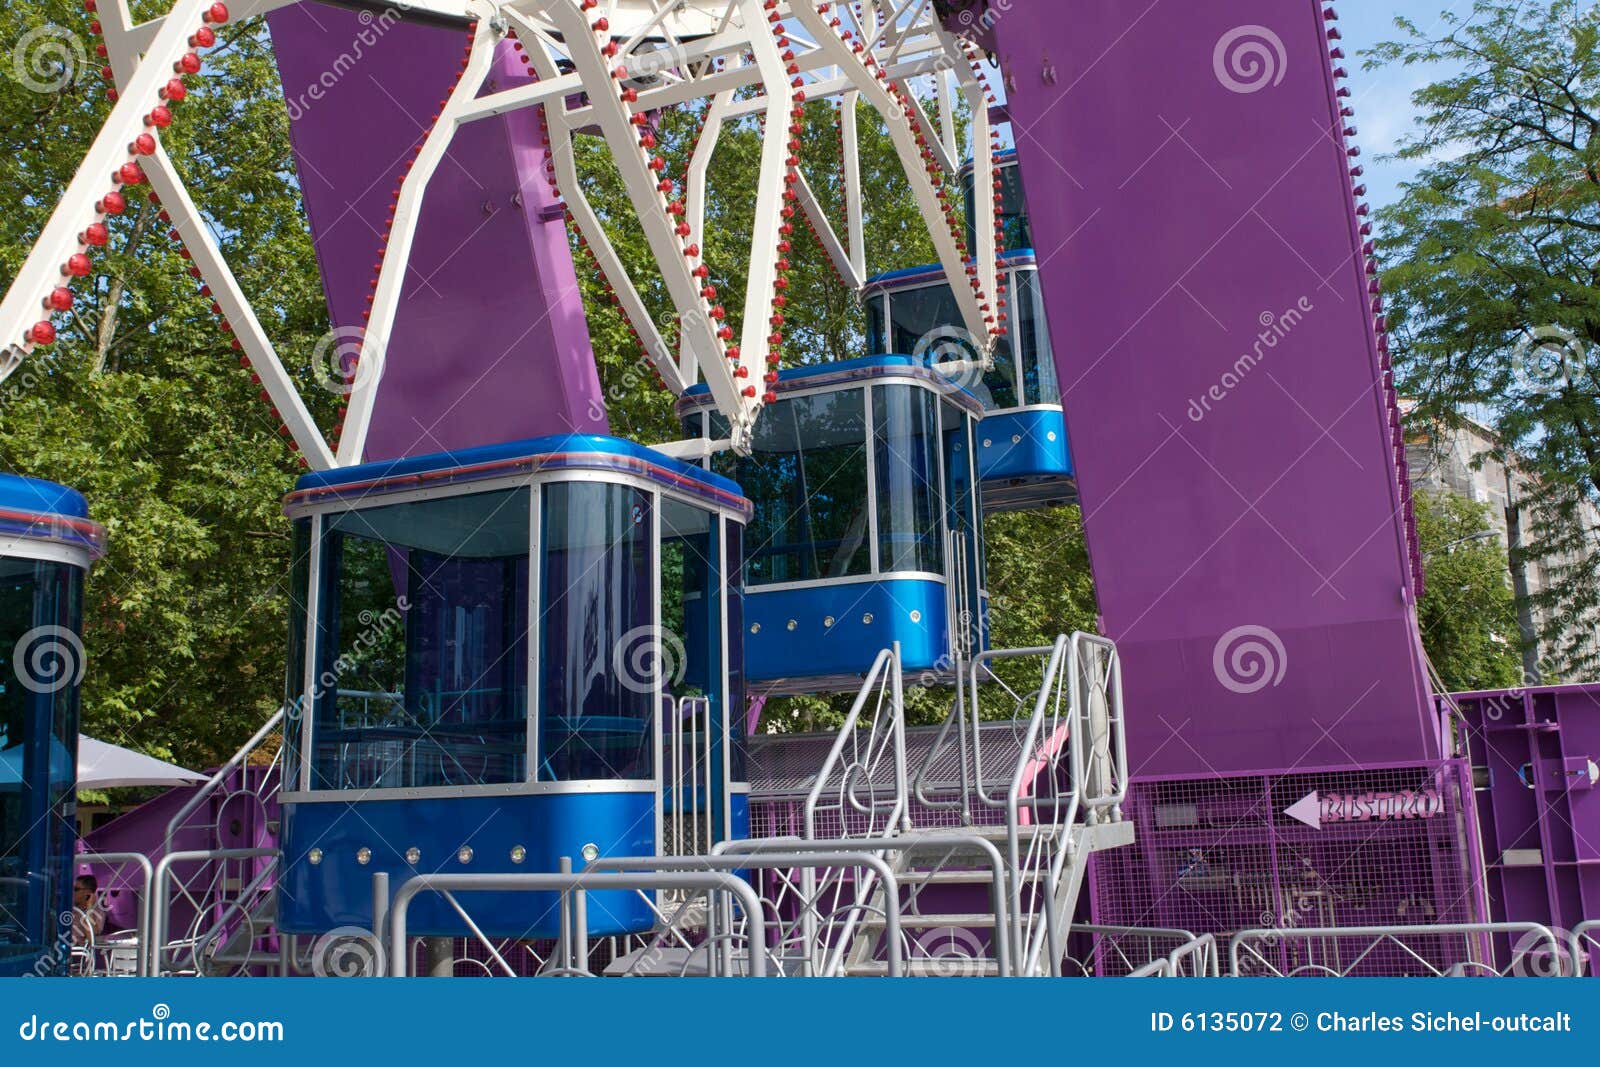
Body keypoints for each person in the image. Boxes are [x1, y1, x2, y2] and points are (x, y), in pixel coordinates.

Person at [72, 873, 104, 947]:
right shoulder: (70, 907)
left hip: (78, 952)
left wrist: (89, 908)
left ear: (88, 892)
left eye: (76, 889)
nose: (73, 892)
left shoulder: (97, 912)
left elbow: (91, 939)